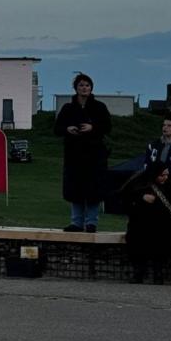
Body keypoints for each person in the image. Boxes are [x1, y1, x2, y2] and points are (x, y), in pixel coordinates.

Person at [54, 73, 111, 232]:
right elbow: (57, 128)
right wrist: (68, 128)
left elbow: (108, 127)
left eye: (87, 85)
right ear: (76, 88)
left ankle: (91, 222)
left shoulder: (99, 107)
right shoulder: (68, 108)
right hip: (74, 155)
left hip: (95, 155)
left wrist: (93, 128)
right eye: (81, 85)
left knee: (93, 190)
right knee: (75, 190)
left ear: (91, 88)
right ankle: (76, 222)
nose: (84, 88)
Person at [121, 162, 171, 284]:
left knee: (164, 241)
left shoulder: (170, 185)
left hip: (164, 223)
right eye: (161, 175)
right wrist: (141, 198)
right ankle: (138, 272)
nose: (165, 178)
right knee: (137, 241)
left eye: (166, 175)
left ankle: (159, 272)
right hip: (141, 223)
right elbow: (124, 198)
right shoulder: (140, 183)